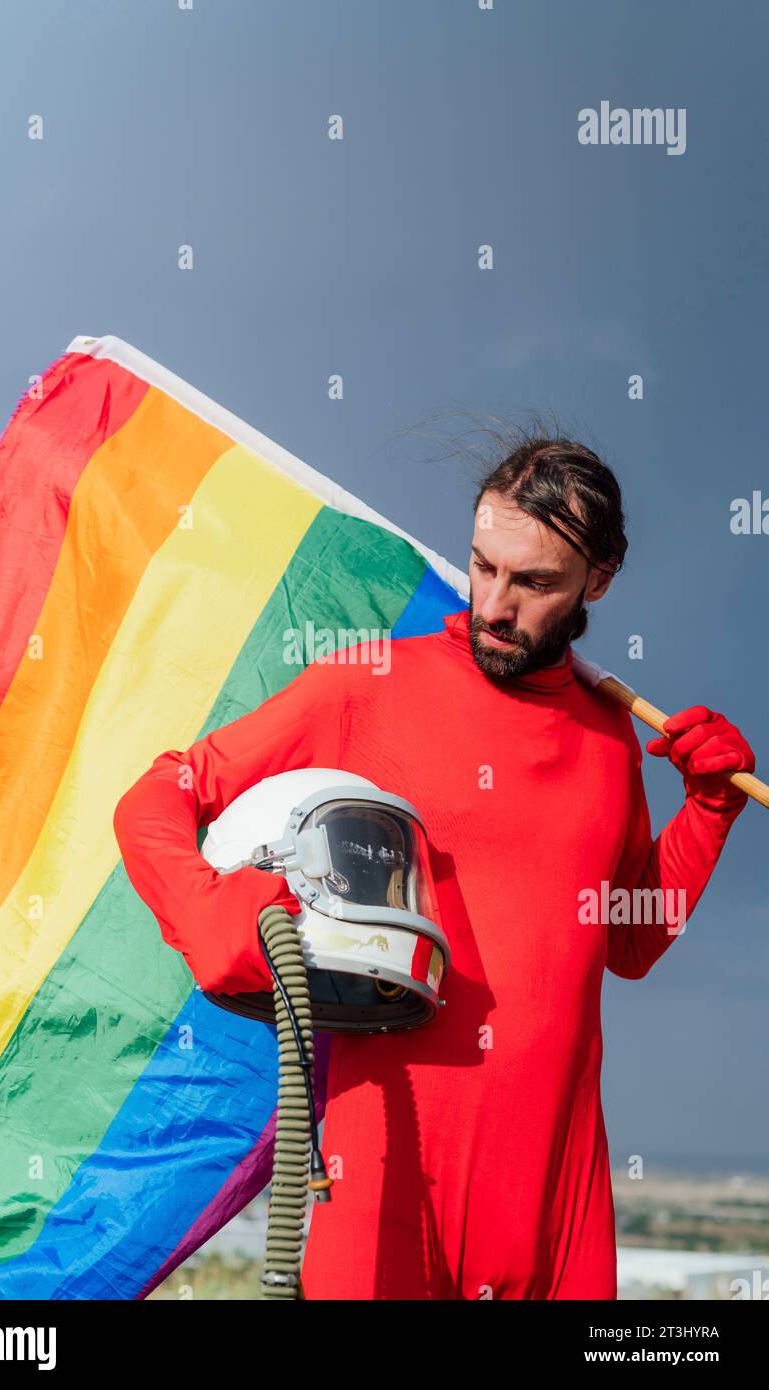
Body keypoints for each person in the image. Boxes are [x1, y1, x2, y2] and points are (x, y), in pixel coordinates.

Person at [113, 434, 755, 1300]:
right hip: (386, 1174)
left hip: (558, 1201)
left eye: (533, 583)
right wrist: (204, 910)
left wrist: (710, 811)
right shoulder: (367, 687)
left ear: (598, 581)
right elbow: (160, 793)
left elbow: (629, 941)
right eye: (483, 566)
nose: (495, 604)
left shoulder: (612, 739)